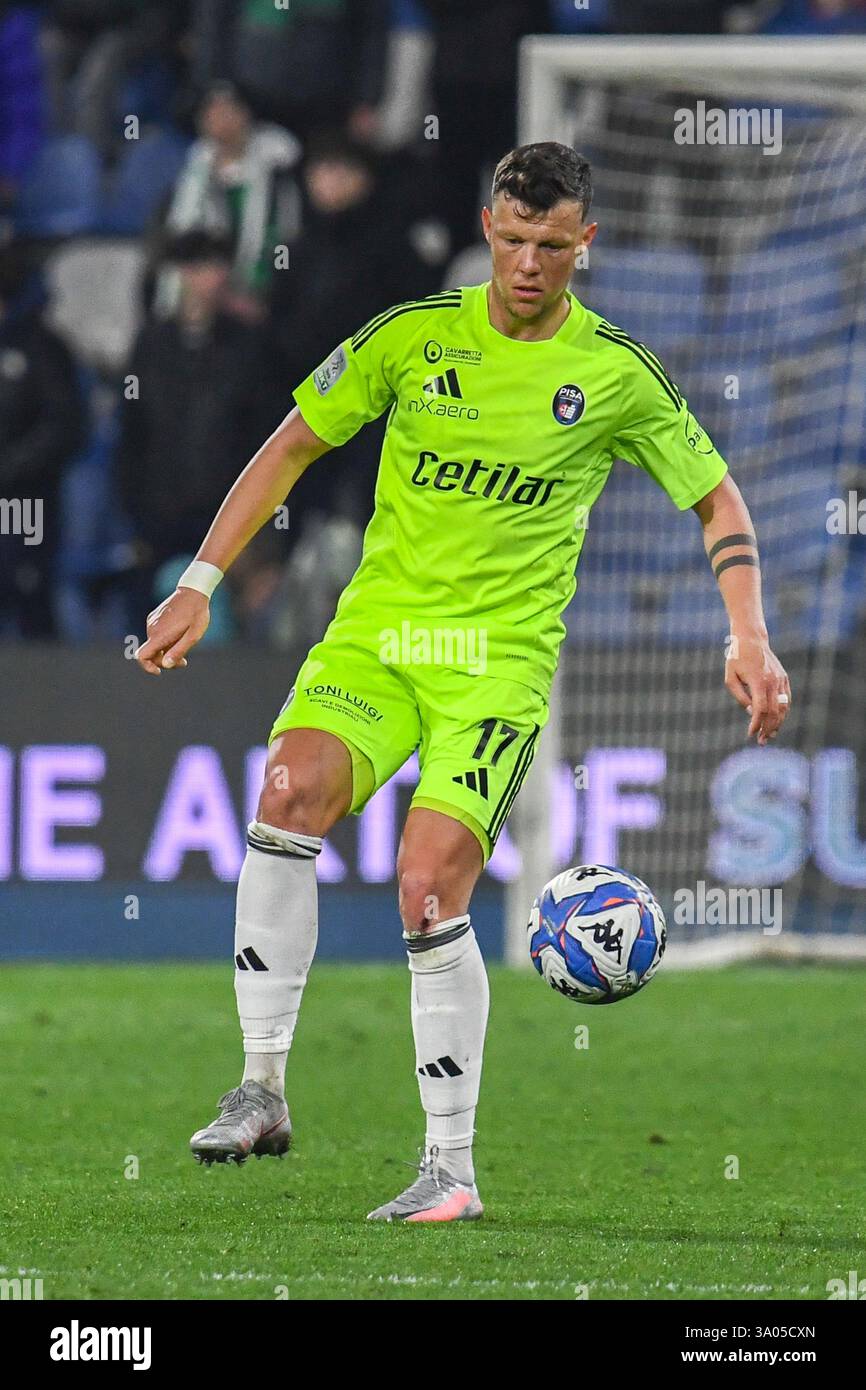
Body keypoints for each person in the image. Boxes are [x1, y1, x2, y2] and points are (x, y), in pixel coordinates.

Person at [135, 142, 791, 1222]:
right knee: (285, 794)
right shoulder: (410, 338)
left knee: (426, 882)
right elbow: (292, 443)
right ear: (488, 226)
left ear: (585, 243)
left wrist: (748, 636)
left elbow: (715, 499)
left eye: (552, 246)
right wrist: (203, 580)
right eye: (513, 239)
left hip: (492, 670)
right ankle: (260, 1085)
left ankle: (449, 1167)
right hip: (377, 644)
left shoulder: (613, 373)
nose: (529, 263)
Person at [117, 229, 280, 605]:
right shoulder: (151, 345)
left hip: (229, 513)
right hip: (160, 515)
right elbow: (133, 432)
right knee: (157, 610)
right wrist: (135, 512)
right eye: (193, 266)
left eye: (213, 266)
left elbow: (264, 436)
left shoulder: (250, 346)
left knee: (222, 619)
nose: (204, 278)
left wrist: (261, 525)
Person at [159, 82, 301, 317]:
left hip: (263, 294)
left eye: (228, 110)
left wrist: (265, 288)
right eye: (211, 112)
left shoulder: (277, 171)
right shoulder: (194, 175)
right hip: (206, 293)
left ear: (247, 115)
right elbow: (179, 239)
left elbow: (285, 241)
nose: (219, 119)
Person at [0, 242, 85, 638]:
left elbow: (65, 426)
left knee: (25, 581)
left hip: (24, 498)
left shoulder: (41, 348)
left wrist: (11, 467)